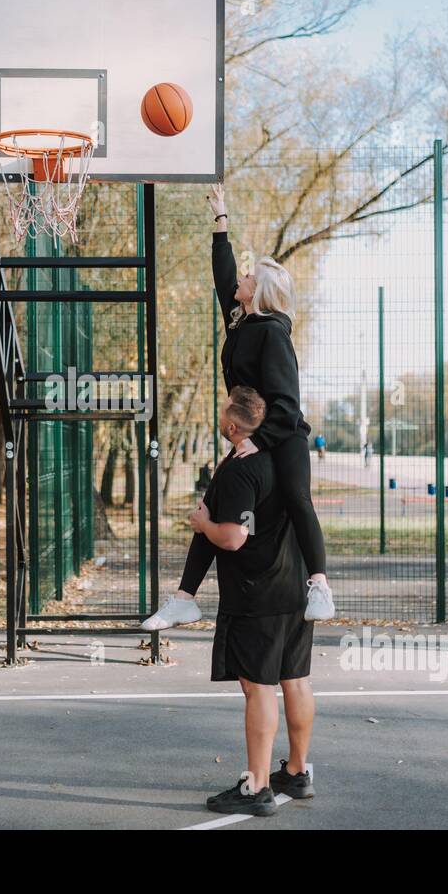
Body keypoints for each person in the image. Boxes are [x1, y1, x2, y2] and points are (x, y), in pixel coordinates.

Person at [143, 183, 333, 628]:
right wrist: (220, 221)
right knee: (216, 495)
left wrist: (259, 442)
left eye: (249, 279)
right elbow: (222, 274)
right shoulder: (241, 322)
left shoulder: (272, 334)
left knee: (298, 500)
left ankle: (320, 586)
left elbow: (288, 403)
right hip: (254, 433)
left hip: (283, 437)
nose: (241, 280)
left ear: (260, 293)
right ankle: (185, 598)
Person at [151, 387, 316, 816]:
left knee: (257, 687)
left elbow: (234, 537)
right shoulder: (285, 459)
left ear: (231, 426)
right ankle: (296, 772)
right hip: (295, 589)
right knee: (294, 679)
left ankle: (257, 786)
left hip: (255, 595)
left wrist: (204, 524)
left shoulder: (240, 470)